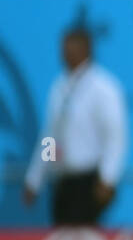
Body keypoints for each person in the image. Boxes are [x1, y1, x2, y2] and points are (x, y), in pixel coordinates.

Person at [23, 27, 127, 225]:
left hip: (89, 179)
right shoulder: (59, 86)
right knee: (63, 238)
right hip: (62, 180)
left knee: (84, 238)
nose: (66, 52)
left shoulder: (103, 87)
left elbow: (115, 137)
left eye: (72, 47)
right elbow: (50, 137)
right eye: (64, 47)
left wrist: (108, 178)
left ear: (86, 49)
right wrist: (36, 178)